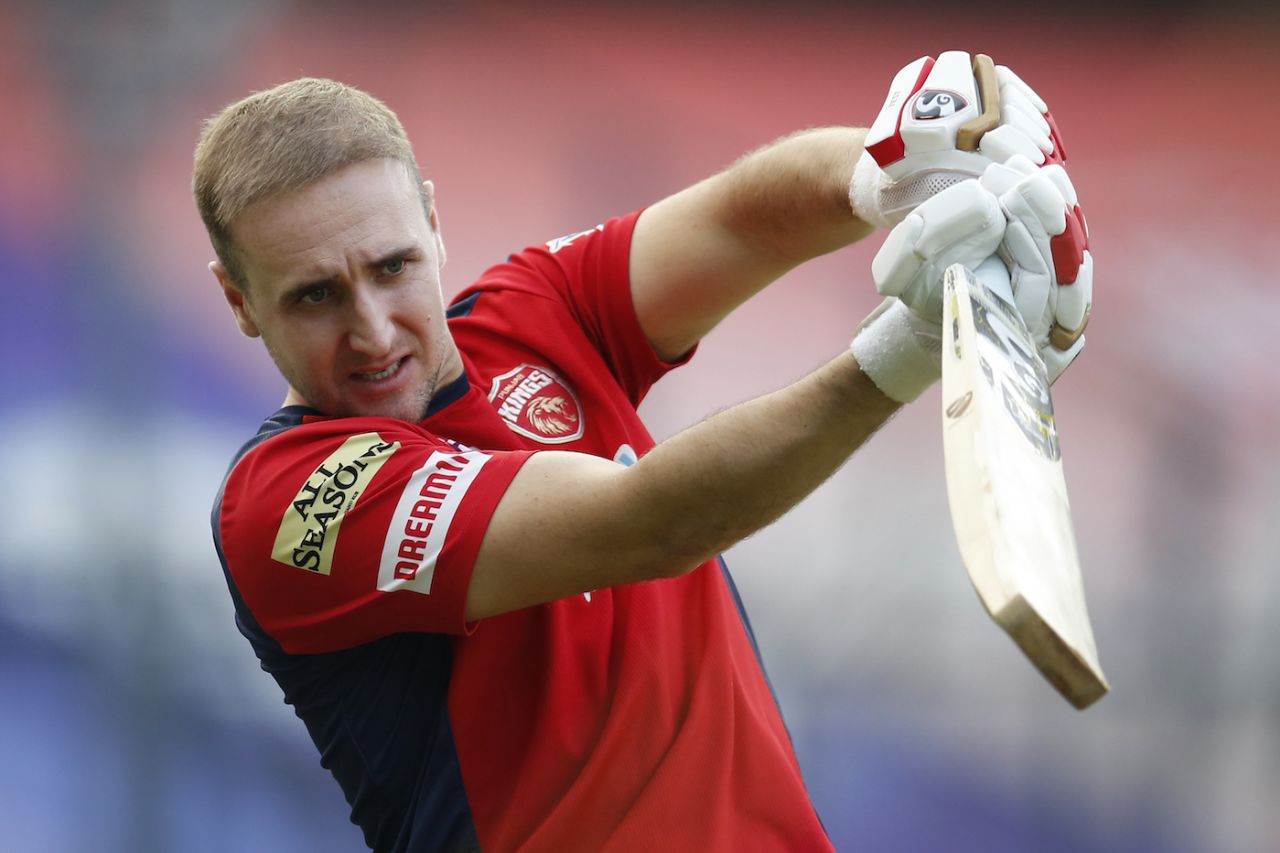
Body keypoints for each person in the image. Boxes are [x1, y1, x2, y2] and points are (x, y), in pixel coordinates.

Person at [196, 52, 1091, 852]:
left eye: (392, 266)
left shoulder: (532, 312)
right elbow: (654, 521)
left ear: (433, 224)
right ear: (239, 302)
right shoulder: (286, 505)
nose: (372, 329)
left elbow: (743, 221)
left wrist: (897, 168)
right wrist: (910, 343)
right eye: (316, 297)